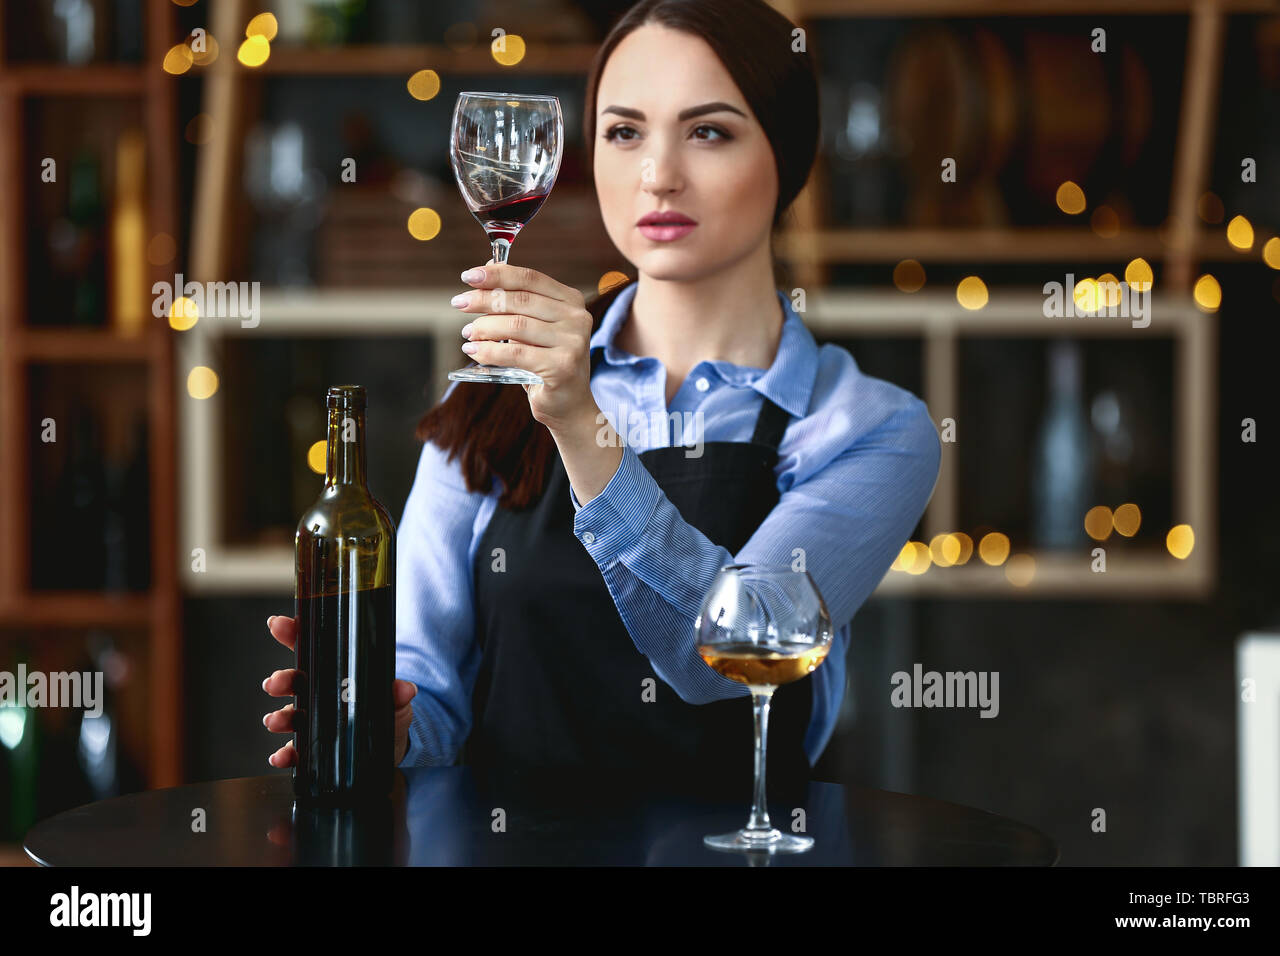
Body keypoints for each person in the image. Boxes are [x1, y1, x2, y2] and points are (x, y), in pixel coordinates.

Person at [262, 0, 940, 788]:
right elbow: (434, 697)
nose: (658, 174)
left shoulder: (869, 428)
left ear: (787, 155)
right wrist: (385, 717)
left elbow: (726, 656)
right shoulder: (488, 398)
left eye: (709, 131)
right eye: (624, 132)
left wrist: (581, 424)